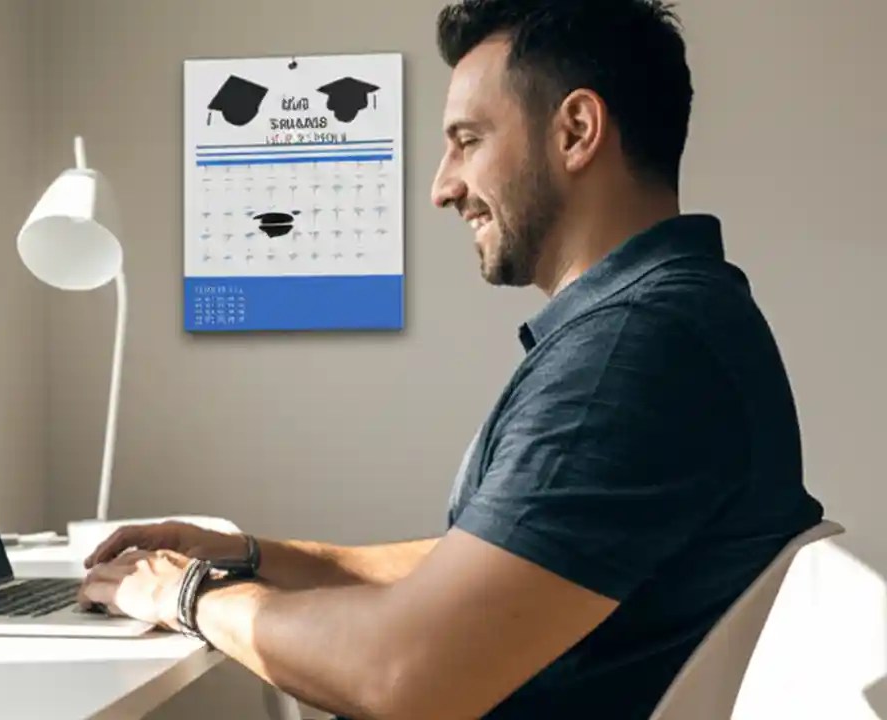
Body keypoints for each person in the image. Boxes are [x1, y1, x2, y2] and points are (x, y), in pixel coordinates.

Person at [78, 1, 825, 717]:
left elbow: (403, 678)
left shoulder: (633, 352)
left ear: (576, 131)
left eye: (467, 140)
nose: (443, 187)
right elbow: (491, 557)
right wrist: (250, 555)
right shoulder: (656, 323)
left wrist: (186, 594)